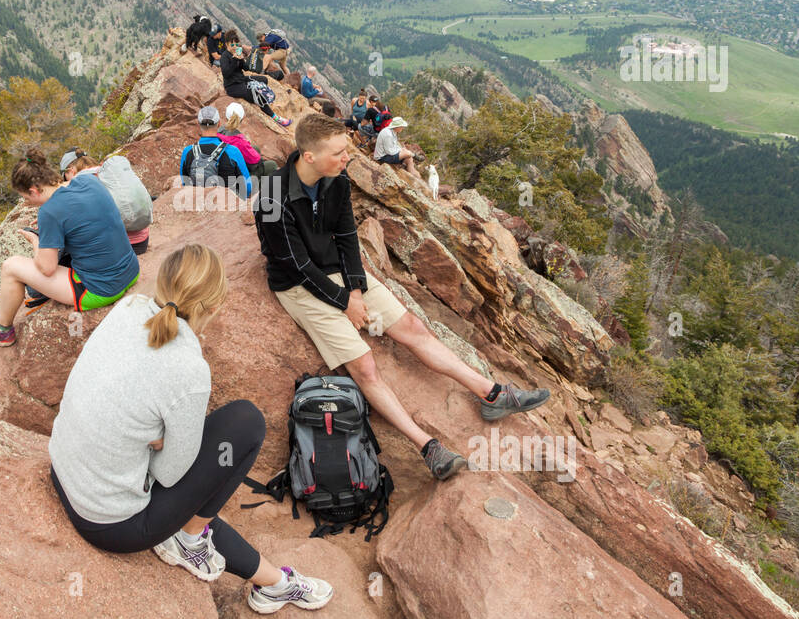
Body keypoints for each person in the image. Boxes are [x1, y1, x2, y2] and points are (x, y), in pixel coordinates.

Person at [252, 114, 552, 482]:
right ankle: (429, 447)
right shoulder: (271, 194)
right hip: (298, 286)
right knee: (364, 365)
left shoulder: (337, 179)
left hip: (337, 273)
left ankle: (491, 393)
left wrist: (357, 291)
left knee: (411, 326)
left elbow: (347, 237)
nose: (347, 157)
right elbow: (294, 264)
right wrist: (344, 302)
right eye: (338, 153)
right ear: (309, 156)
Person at [48, 243, 334, 614]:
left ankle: (273, 583)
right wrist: (162, 443)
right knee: (245, 422)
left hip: (64, 473)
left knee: (193, 506)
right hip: (110, 523)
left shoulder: (129, 306)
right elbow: (169, 476)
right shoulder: (188, 366)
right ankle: (194, 541)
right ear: (213, 308)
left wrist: (150, 439)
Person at [0, 153, 140, 347]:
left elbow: (47, 268)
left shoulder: (49, 212)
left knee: (10, 267)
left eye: (26, 197)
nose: (28, 203)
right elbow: (88, 216)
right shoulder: (88, 181)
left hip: (102, 289)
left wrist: (36, 240)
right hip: (131, 271)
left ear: (34, 191)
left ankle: (2, 331)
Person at [60, 149, 152, 254]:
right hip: (142, 241)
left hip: (116, 248)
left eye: (65, 178)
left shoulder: (80, 182)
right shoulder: (110, 174)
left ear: (71, 170)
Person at [219, 30, 290, 127]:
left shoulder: (235, 54)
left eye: (236, 44)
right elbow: (226, 74)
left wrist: (242, 59)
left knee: (264, 80)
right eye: (232, 45)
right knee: (256, 95)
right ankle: (276, 118)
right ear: (227, 44)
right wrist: (235, 59)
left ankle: (261, 94)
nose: (235, 46)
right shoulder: (225, 56)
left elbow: (246, 68)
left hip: (241, 79)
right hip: (232, 86)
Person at [179, 106, 253, 199]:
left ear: (198, 124)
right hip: (227, 207)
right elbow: (247, 187)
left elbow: (185, 183)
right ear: (219, 124)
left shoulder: (187, 152)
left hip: (198, 205)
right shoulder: (232, 151)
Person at [218, 101, 279, 181]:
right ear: (242, 119)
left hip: (225, 168)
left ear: (226, 117)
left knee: (255, 148)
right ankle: (260, 188)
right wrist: (260, 160)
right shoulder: (239, 140)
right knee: (272, 165)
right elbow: (255, 162)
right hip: (238, 178)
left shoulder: (219, 132)